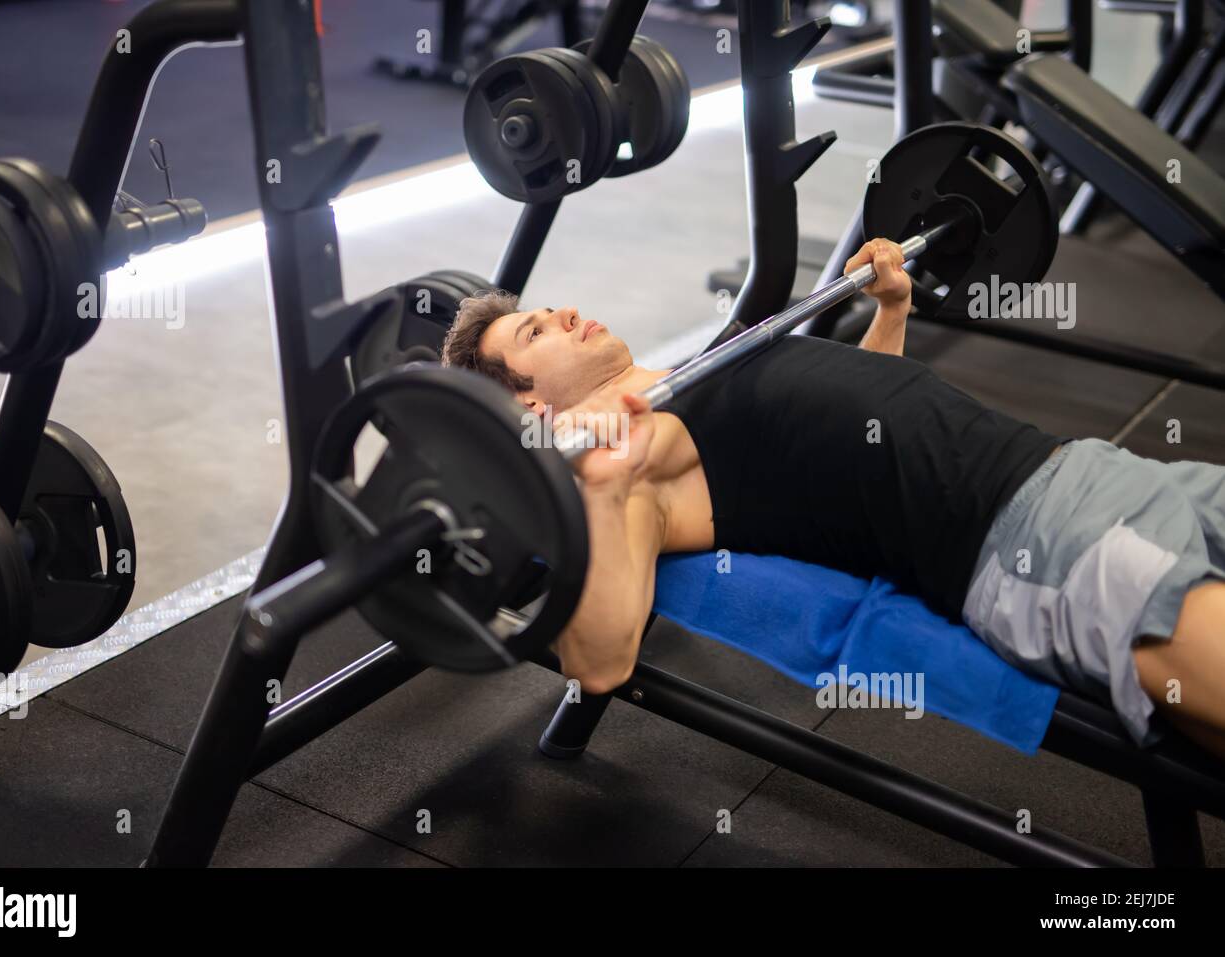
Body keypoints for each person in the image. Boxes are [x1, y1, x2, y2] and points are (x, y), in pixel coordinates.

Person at [439, 240, 1225, 757]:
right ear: (532, 410)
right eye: (537, 333)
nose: (566, 313)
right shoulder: (627, 464)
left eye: (548, 310)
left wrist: (892, 311)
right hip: (1038, 539)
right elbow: (598, 660)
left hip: (1098, 472)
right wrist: (602, 485)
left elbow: (851, 434)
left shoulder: (688, 381)